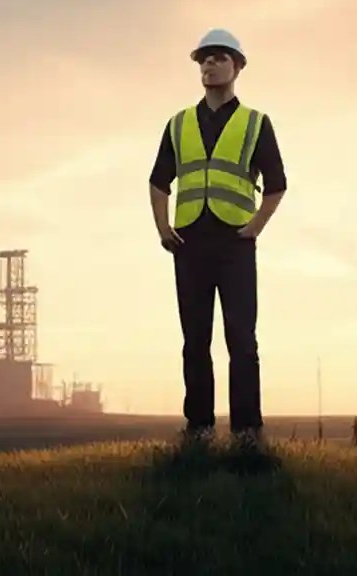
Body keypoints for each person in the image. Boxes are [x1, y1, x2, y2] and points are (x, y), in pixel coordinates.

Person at [148, 27, 287, 445]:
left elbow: (278, 183)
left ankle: (247, 430)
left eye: (218, 57)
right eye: (203, 59)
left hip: (235, 243)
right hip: (189, 242)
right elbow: (158, 182)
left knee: (242, 338)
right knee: (195, 339)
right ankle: (200, 427)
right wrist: (163, 230)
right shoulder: (178, 124)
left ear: (238, 66)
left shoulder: (255, 124)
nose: (208, 64)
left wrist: (255, 227)